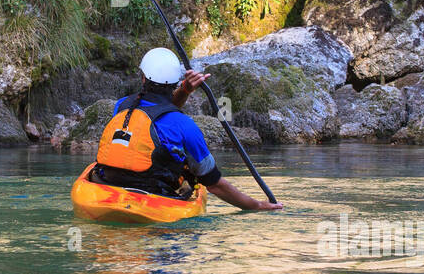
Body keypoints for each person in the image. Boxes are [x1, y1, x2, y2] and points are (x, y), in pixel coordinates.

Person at [91, 48, 282, 212]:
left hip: (107, 184)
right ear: (175, 83)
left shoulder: (121, 107)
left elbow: (154, 111)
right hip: (156, 198)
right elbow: (214, 184)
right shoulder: (185, 126)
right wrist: (257, 205)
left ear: (143, 78)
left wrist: (185, 90)